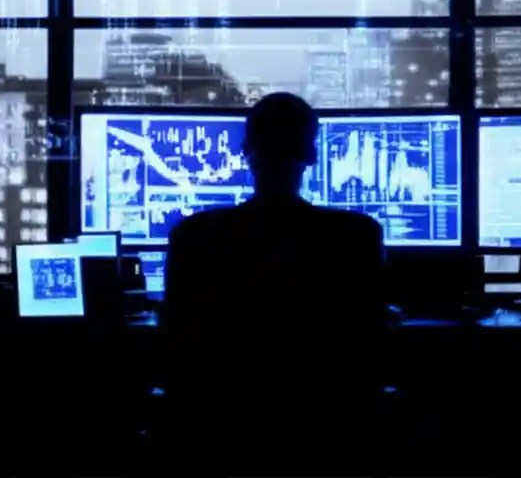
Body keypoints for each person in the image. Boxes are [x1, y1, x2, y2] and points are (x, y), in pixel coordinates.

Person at [161, 92, 386, 466]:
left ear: (245, 150)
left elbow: (173, 332)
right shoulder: (355, 234)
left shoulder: (192, 234)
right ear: (312, 155)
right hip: (326, 431)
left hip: (219, 431)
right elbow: (371, 334)